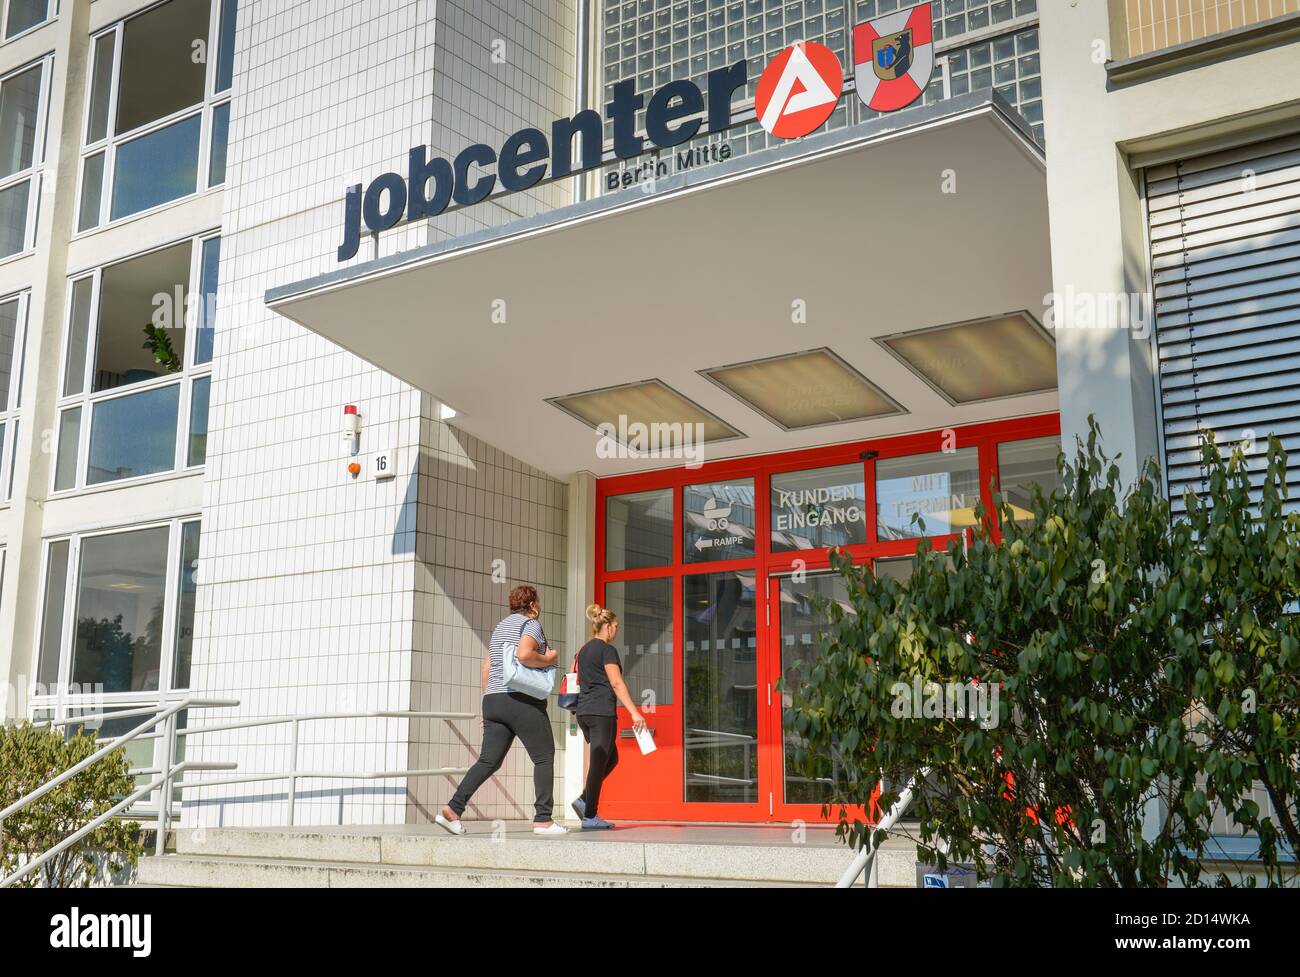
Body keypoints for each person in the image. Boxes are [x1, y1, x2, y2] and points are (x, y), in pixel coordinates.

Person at [436, 585, 567, 836]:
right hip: (520, 699)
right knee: (543, 757)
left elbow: (487, 666)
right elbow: (525, 654)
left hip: (493, 700)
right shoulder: (530, 624)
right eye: (537, 603)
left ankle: (453, 809)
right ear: (532, 605)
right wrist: (549, 659)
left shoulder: (500, 628)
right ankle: (543, 820)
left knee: (488, 760)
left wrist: (487, 706)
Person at [570, 603, 646, 830]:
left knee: (610, 759)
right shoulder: (607, 650)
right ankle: (590, 815)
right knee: (599, 761)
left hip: (584, 712)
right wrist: (634, 712)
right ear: (607, 627)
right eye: (616, 626)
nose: (617, 631)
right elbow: (616, 682)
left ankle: (584, 800)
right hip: (601, 711)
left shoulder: (583, 650)